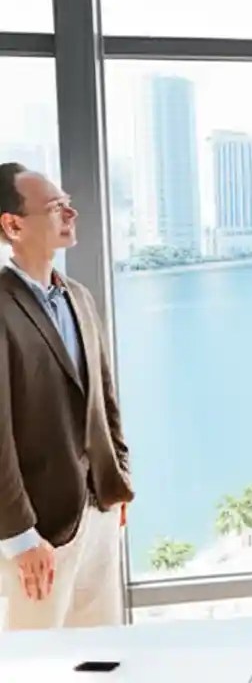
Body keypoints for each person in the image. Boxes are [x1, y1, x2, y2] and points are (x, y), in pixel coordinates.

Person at [0, 163, 133, 630]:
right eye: (56, 207)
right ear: (12, 225)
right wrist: (18, 536)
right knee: (35, 668)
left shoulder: (79, 296)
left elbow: (106, 403)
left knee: (102, 657)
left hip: (99, 514)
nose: (70, 213)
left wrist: (118, 484)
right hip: (38, 534)